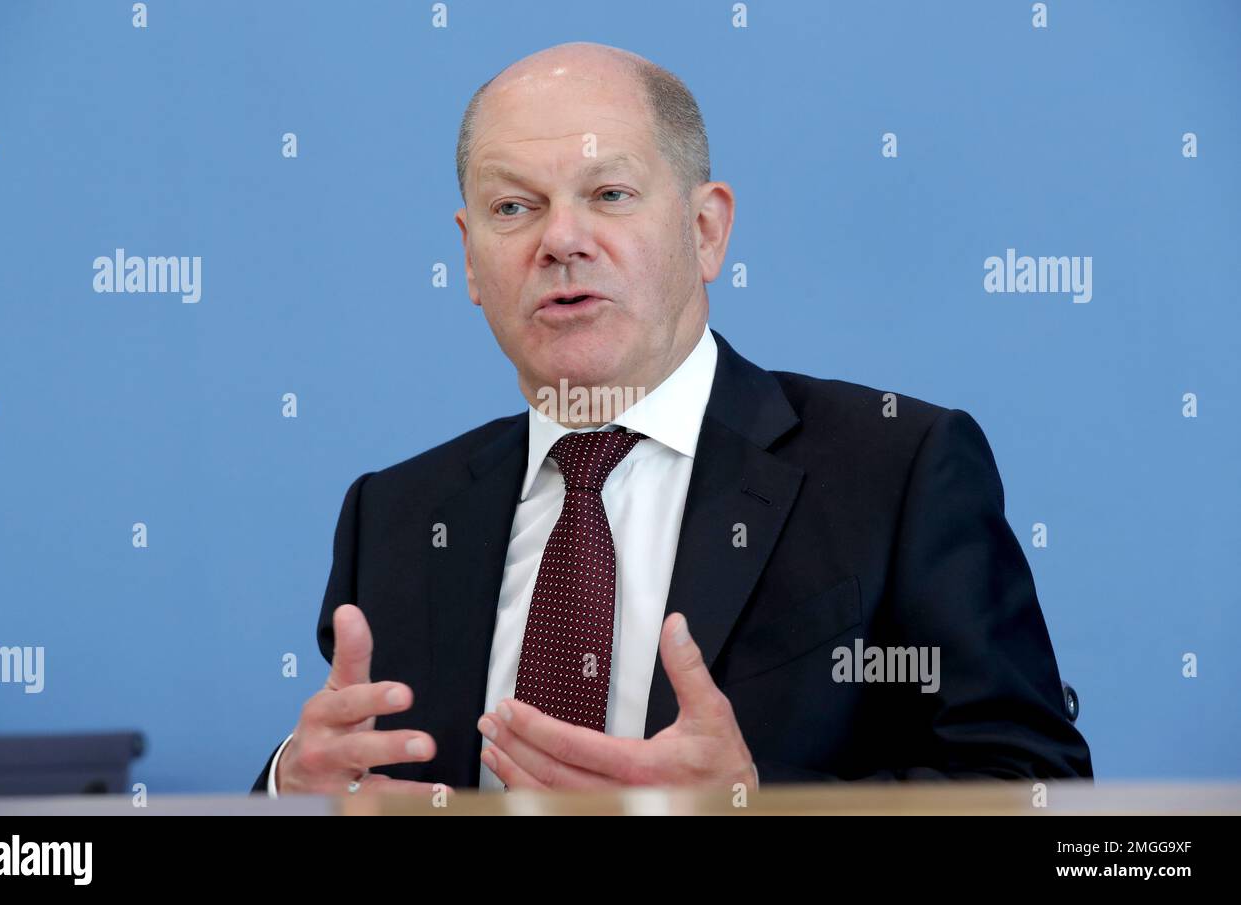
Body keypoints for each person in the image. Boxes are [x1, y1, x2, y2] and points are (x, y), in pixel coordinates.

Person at [252, 41, 1093, 797]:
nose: (562, 240)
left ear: (705, 229)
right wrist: (294, 784)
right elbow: (343, 772)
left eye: (610, 193)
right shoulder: (394, 516)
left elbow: (1035, 787)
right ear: (470, 260)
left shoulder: (898, 470)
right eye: (515, 208)